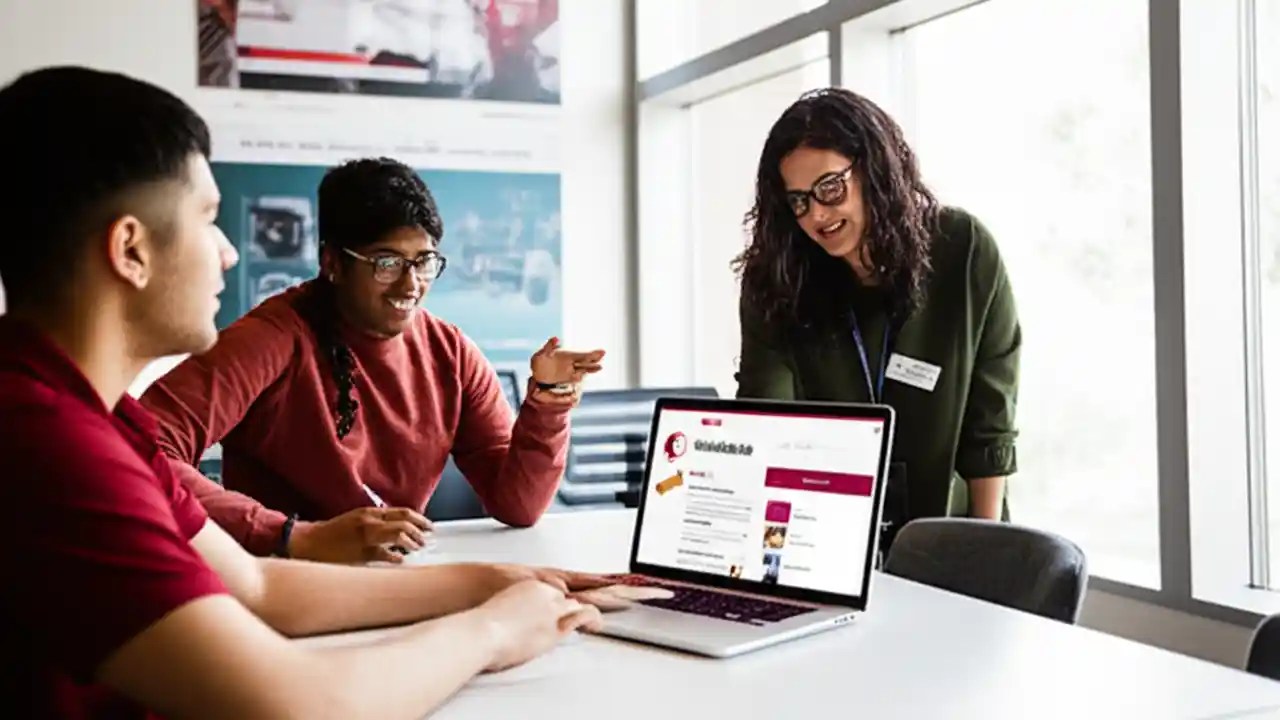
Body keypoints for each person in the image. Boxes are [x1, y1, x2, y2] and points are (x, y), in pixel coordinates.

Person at [0, 65, 613, 718]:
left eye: (422, 262)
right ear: (130, 249)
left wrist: (500, 583)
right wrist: (492, 631)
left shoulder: (104, 420)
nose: (230, 254)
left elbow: (259, 587)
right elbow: (304, 705)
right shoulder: (46, 445)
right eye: (207, 219)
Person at [138, 156, 604, 564]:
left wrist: (548, 402)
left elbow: (518, 505)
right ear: (333, 263)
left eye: (424, 262)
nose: (410, 284)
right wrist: (293, 536)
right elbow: (140, 450)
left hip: (394, 578)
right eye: (387, 262)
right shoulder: (270, 338)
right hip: (284, 578)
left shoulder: (451, 352)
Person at [733, 88, 1020, 550]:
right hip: (824, 538)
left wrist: (984, 555)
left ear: (873, 169)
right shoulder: (778, 280)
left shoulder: (962, 250)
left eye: (830, 188)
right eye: (798, 201)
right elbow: (765, 422)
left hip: (950, 537)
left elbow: (990, 429)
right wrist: (772, 555)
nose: (817, 214)